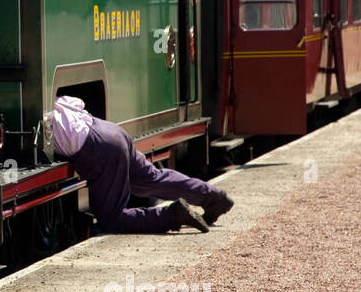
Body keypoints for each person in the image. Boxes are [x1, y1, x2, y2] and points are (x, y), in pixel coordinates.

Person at [50, 96, 233, 234]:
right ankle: (214, 198)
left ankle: (171, 216)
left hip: (99, 147)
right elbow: (78, 103)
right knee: (153, 179)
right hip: (111, 130)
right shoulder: (55, 101)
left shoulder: (38, 116)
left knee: (111, 220)